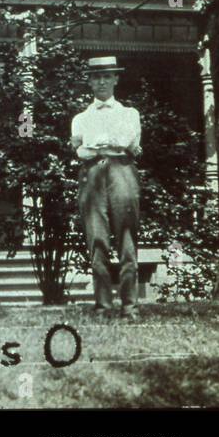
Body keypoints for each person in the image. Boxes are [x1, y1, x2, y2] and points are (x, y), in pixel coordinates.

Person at [70, 55, 142, 320]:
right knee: (97, 239)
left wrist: (99, 144)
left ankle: (129, 305)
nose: (101, 82)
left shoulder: (129, 114)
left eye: (107, 76)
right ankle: (102, 305)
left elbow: (128, 142)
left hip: (122, 171)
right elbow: (79, 149)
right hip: (92, 174)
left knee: (126, 238)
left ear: (116, 79)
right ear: (89, 82)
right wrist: (105, 144)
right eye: (96, 77)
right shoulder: (80, 118)